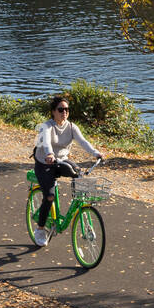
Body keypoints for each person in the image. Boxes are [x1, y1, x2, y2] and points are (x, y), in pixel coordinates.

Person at [32, 96, 103, 246]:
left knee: (78, 174)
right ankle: (40, 229)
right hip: (45, 163)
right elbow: (46, 144)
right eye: (60, 109)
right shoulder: (47, 126)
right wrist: (50, 154)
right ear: (53, 112)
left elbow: (83, 141)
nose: (64, 112)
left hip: (61, 160)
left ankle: (79, 204)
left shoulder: (71, 127)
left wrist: (96, 153)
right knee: (49, 197)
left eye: (66, 109)